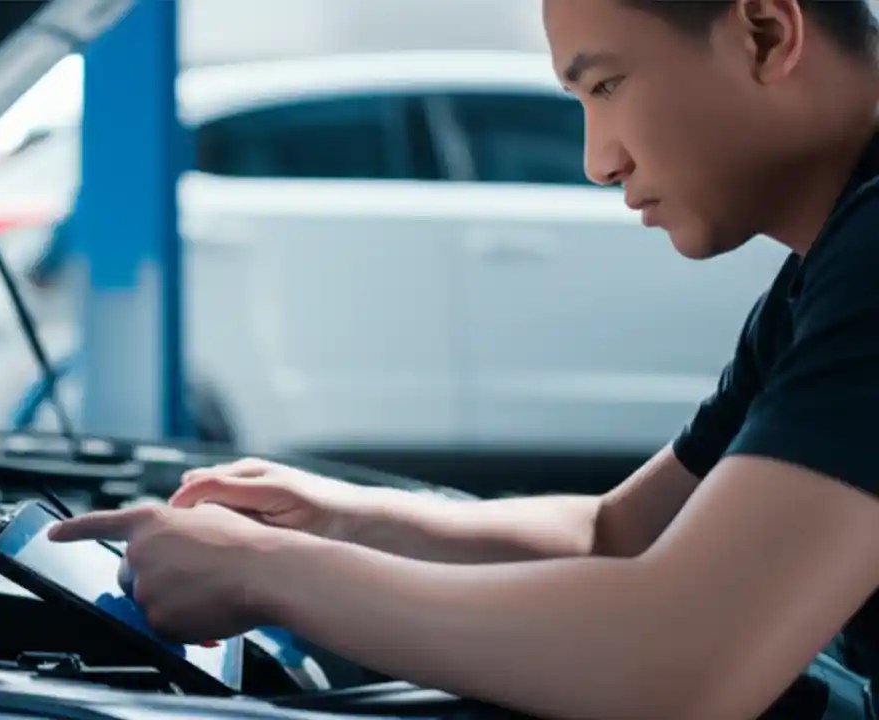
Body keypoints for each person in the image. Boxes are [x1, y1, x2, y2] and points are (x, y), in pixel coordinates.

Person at [48, 1, 879, 717]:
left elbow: (690, 661)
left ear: (767, 34)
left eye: (607, 86)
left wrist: (270, 575)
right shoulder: (823, 273)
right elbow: (617, 533)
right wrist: (343, 517)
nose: (600, 161)